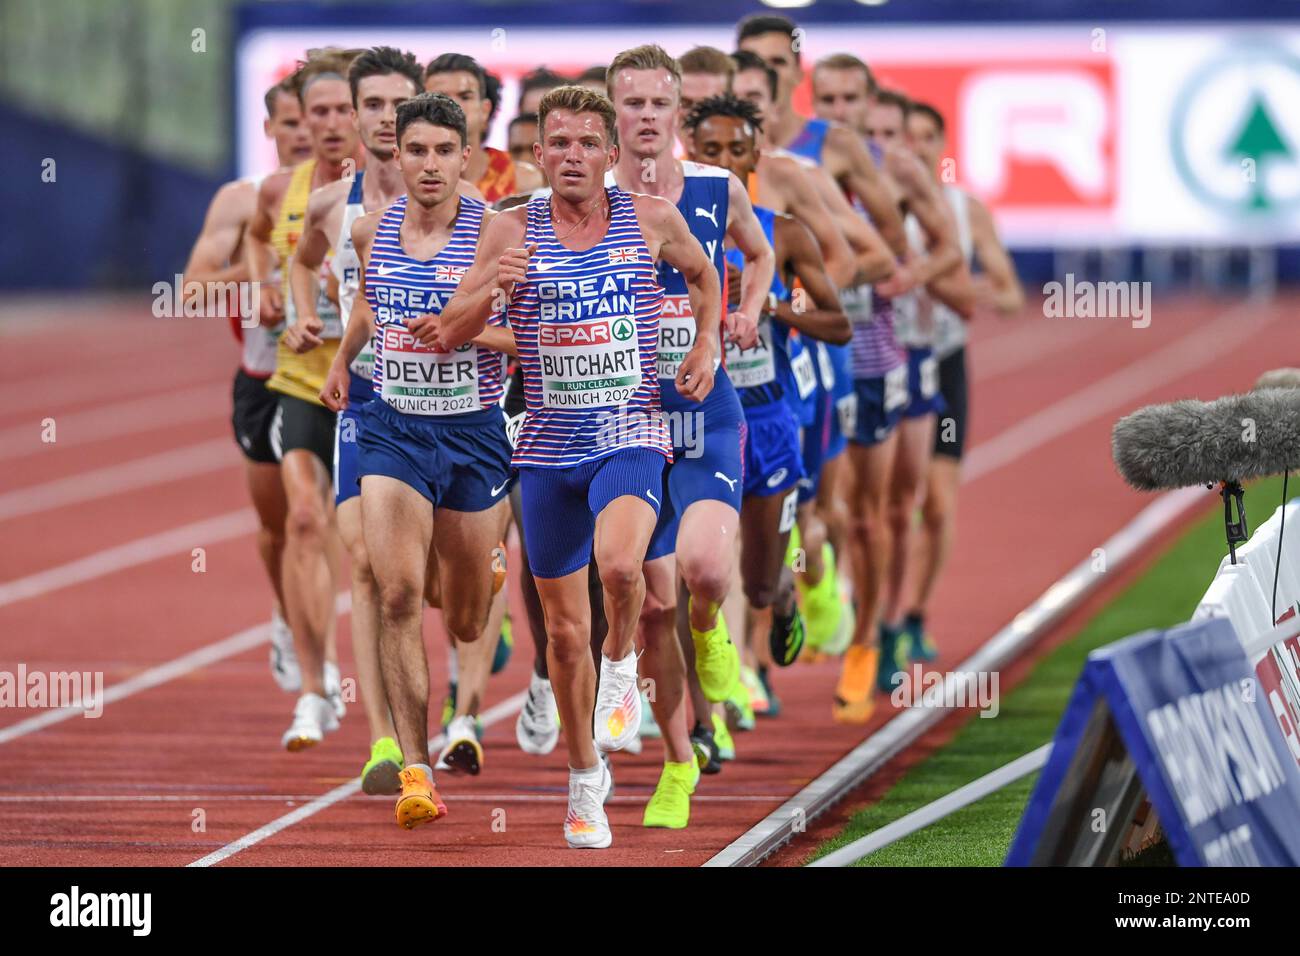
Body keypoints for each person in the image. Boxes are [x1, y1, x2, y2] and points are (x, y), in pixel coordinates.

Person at [439, 84, 722, 848]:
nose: (572, 156)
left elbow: (705, 276)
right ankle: (583, 779)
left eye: (587, 143)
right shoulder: (506, 229)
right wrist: (493, 294)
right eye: (557, 143)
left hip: (629, 430)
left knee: (623, 569)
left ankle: (623, 662)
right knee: (562, 637)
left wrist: (705, 344)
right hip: (545, 448)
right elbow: (449, 329)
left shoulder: (651, 218)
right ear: (538, 155)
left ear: (609, 154)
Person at [321, 91, 512, 828]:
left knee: (463, 622)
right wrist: (344, 360)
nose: (429, 165)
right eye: (416, 151)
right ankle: (416, 769)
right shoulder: (373, 228)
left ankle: (486, 567)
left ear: (466, 157)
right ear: (394, 155)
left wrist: (463, 334)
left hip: (472, 435)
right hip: (391, 427)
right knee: (396, 594)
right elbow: (369, 305)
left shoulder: (497, 234)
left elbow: (531, 342)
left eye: (443, 152)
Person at [606, 44, 775, 820]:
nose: (645, 117)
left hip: (704, 411)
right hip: (625, 419)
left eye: (657, 104)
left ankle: (716, 635)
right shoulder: (589, 197)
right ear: (614, 113)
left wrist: (745, 312)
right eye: (631, 104)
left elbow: (759, 253)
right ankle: (678, 762)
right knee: (650, 603)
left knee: (706, 573)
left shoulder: (716, 188)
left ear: (679, 112)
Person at [684, 93, 851, 715]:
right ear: (689, 153)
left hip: (769, 420)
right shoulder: (664, 227)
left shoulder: (783, 233)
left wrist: (773, 308)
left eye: (736, 149)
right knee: (696, 564)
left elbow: (839, 324)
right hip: (697, 417)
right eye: (710, 150)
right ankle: (706, 711)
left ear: (756, 153)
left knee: (755, 582)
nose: (724, 159)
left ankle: (782, 600)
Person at [289, 46, 422, 791]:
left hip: (452, 408)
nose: (378, 118)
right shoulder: (332, 207)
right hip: (368, 404)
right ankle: (384, 743)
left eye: (394, 104)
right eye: (368, 104)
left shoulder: (462, 208)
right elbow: (304, 260)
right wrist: (307, 314)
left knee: (450, 599)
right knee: (368, 568)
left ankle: (477, 632)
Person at [244, 47, 365, 748]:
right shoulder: (279, 192)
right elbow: (263, 241)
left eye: (342, 110)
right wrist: (268, 287)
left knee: (388, 562)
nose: (328, 123)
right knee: (304, 524)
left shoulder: (383, 194)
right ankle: (317, 690)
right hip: (301, 383)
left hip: (377, 390)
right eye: (315, 112)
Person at [183, 76, 310, 695]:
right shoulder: (240, 200)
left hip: (340, 381)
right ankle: (288, 614)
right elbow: (192, 290)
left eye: (314, 119)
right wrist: (258, 271)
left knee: (335, 520)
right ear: (269, 129)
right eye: (290, 122)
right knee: (280, 524)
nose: (305, 133)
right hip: (265, 378)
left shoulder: (353, 197)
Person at [901, 99, 1023, 659]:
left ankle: (914, 615)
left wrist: (951, 288)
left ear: (942, 145)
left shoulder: (966, 211)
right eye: (907, 136)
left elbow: (1010, 295)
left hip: (944, 364)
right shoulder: (876, 207)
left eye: (928, 136)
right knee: (882, 505)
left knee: (938, 506)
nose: (917, 147)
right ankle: (864, 606)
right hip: (889, 364)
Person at [424, 53, 545, 203]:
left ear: (485, 110)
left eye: (465, 97)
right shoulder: (407, 181)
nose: (452, 105)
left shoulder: (522, 180)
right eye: (440, 98)